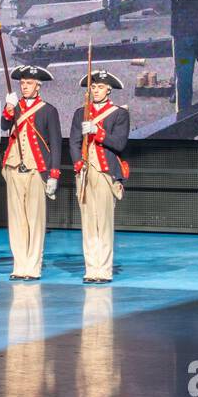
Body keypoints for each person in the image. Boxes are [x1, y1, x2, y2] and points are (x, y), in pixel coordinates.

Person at [0, 65, 61, 280]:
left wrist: (54, 174)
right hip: (14, 167)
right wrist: (9, 107)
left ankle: (33, 266)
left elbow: (55, 144)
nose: (24, 86)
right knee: (16, 219)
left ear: (38, 86)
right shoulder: (14, 107)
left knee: (35, 220)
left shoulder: (48, 110)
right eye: (22, 83)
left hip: (36, 169)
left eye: (29, 83)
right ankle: (20, 265)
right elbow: (3, 125)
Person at [69, 70, 130, 283]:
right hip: (85, 172)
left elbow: (119, 143)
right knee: (88, 222)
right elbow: (74, 142)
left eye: (100, 87)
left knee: (103, 223)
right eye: (93, 87)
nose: (96, 90)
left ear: (108, 90)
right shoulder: (81, 113)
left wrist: (98, 131)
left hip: (105, 172)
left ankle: (103, 270)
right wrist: (78, 164)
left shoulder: (119, 114)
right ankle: (91, 269)